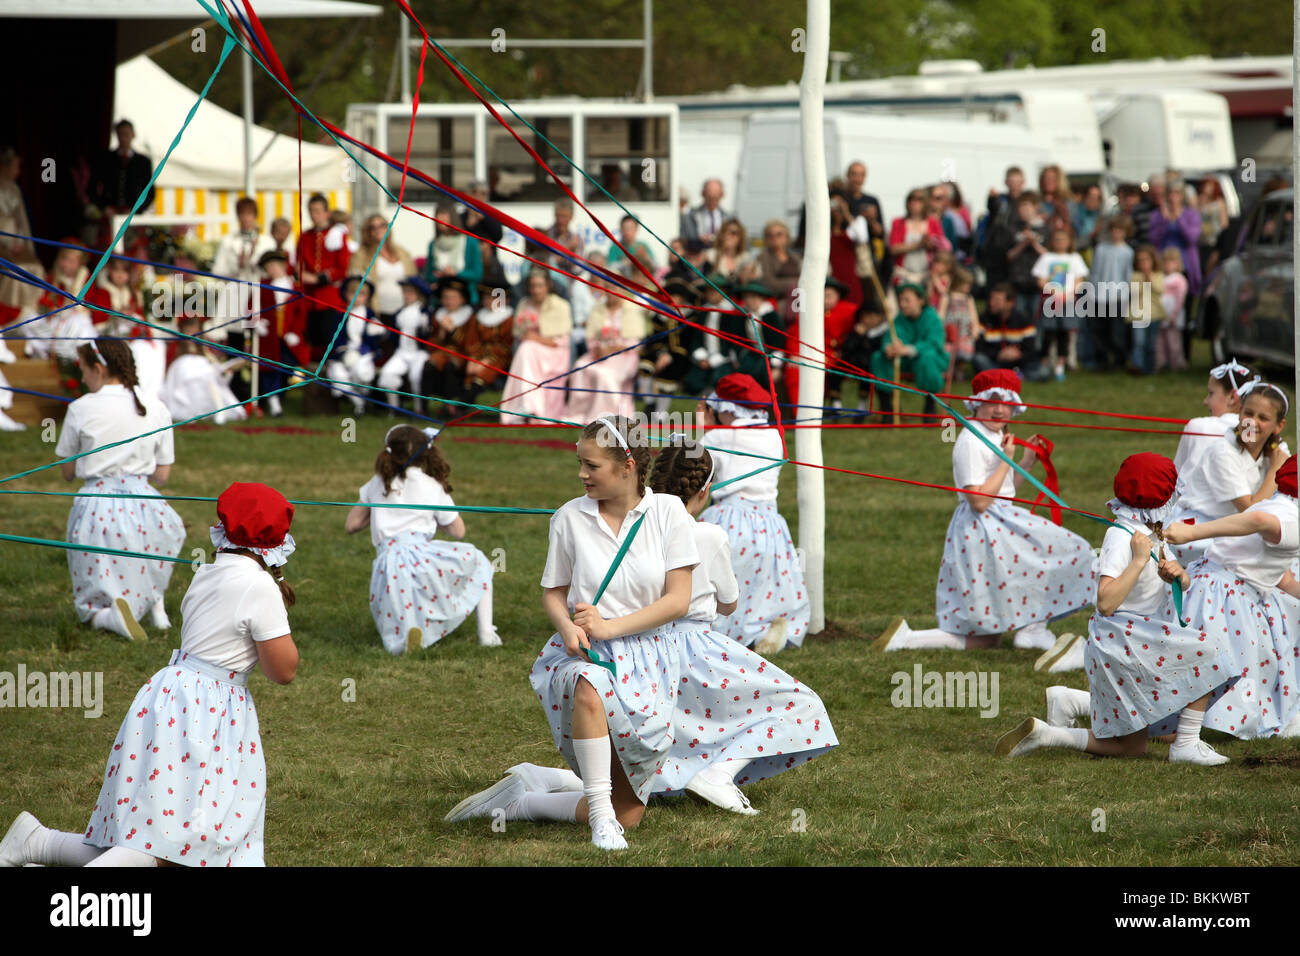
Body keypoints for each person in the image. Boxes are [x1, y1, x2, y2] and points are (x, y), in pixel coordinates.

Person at [0, 482, 301, 866]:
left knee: (169, 838)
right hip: (206, 714)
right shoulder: (259, 586)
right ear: (277, 541)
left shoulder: (210, 571)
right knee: (172, 843)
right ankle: (51, 867)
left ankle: (38, 842)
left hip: (173, 697)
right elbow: (284, 670)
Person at [443, 416, 702, 851]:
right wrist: (566, 626)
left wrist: (610, 625)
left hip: (650, 663)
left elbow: (678, 600)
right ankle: (601, 821)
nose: (581, 474)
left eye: (591, 465)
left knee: (631, 816)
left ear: (628, 465)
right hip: (585, 656)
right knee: (588, 685)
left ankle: (525, 799)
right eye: (579, 463)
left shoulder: (669, 512)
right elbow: (553, 593)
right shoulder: (568, 517)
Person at [993, 453, 1232, 766]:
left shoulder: (1152, 531)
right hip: (1124, 642)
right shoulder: (1121, 538)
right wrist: (1136, 561)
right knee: (1208, 651)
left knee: (1132, 748)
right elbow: (1106, 603)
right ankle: (1186, 744)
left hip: (1144, 638)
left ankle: (1050, 730)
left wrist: (1179, 575)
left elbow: (1179, 583)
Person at [647, 438, 838, 812]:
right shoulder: (710, 535)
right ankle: (718, 773)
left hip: (644, 647)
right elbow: (729, 603)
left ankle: (683, 773)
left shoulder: (635, 531)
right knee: (800, 703)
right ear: (705, 491)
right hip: (696, 649)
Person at [875, 369, 1096, 653]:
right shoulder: (970, 440)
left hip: (999, 520)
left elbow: (1002, 489)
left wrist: (1025, 464)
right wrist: (1007, 460)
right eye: (993, 401)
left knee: (988, 637)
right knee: (1072, 550)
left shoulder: (994, 434)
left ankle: (909, 639)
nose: (1000, 409)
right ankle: (1030, 629)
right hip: (983, 530)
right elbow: (978, 501)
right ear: (977, 402)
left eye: (1008, 403)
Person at [55, 338, 186, 639]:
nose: (82, 377)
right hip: (145, 504)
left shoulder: (80, 408)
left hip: (97, 506)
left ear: (99, 369)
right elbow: (162, 475)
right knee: (146, 550)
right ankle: (155, 607)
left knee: (94, 581)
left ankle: (107, 615)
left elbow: (67, 473)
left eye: (84, 370)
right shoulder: (155, 406)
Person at [1164, 455, 1299, 739]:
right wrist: (1193, 532)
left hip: (1220, 591)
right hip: (1225, 601)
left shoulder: (1277, 506)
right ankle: (1185, 740)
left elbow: (1281, 575)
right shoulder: (1289, 521)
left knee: (1190, 675)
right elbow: (1259, 521)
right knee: (1209, 674)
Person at [346, 425, 499, 654]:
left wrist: (379, 510)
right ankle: (487, 633)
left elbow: (352, 525)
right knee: (479, 561)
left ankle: (407, 637)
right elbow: (458, 531)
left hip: (388, 564)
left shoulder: (377, 483)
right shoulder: (432, 485)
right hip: (422, 557)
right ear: (426, 453)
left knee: (402, 602)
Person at [698, 373, 808, 654]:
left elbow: (695, 466)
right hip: (770, 523)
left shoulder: (719, 435)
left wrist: (703, 428)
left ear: (726, 409)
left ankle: (721, 632)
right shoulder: (773, 434)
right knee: (762, 583)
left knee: (723, 581)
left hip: (730, 520)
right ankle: (761, 630)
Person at [1171, 383, 1291, 565]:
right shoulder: (1223, 452)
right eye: (1248, 413)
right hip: (1196, 533)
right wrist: (1275, 471)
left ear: (1279, 426)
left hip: (1236, 530)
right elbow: (1250, 510)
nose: (1252, 422)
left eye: (1263, 418)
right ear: (1239, 412)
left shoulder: (1275, 451)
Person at [565, 284, 647, 422]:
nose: (611, 292)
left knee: (604, 374)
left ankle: (603, 415)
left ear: (622, 290)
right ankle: (578, 413)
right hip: (599, 353)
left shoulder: (631, 309)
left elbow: (635, 343)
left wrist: (612, 349)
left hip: (624, 356)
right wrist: (597, 348)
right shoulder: (598, 309)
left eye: (615, 288)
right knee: (579, 367)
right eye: (608, 289)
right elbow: (591, 337)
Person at [499, 271, 572, 425]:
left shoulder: (561, 305)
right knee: (526, 349)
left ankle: (528, 405)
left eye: (539, 286)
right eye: (533, 286)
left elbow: (561, 342)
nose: (536, 290)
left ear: (548, 286)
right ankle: (526, 405)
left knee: (527, 349)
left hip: (554, 354)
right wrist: (529, 337)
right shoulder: (524, 304)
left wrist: (536, 339)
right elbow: (518, 332)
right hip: (531, 350)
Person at [868, 282, 948, 417]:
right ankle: (887, 408)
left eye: (907, 300)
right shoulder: (899, 319)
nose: (902, 304)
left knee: (927, 358)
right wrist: (890, 347)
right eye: (900, 300)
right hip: (906, 361)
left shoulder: (932, 318)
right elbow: (891, 337)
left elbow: (934, 343)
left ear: (920, 301)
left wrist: (909, 349)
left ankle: (930, 407)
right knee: (878, 357)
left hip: (932, 359)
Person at [1173, 359, 1258, 474]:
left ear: (1233, 397)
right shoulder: (1260, 434)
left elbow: (1175, 476)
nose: (1205, 401)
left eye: (1211, 393)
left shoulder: (1198, 427)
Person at [160, 316, 249, 426]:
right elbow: (170, 366)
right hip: (184, 376)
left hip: (205, 376)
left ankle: (219, 410)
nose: (192, 332)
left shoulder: (204, 346)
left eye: (194, 329)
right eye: (189, 329)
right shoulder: (177, 346)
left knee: (209, 377)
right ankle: (196, 411)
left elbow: (213, 363)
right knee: (197, 376)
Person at [254, 250, 309, 417]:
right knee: (270, 368)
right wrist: (256, 322)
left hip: (289, 336)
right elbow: (251, 308)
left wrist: (295, 332)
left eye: (276, 266)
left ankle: (295, 398)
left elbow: (301, 312)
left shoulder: (295, 288)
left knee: (293, 365)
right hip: (269, 336)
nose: (273, 270)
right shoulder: (262, 286)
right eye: (269, 267)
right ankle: (274, 403)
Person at [1031, 227, 1089, 381]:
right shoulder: (1046, 258)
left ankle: (1060, 366)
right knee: (1048, 333)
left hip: (1068, 302)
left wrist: (1068, 295)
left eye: (1063, 239)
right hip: (1050, 301)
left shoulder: (1075, 258)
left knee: (1065, 334)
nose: (1060, 243)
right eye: (1057, 240)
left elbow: (1079, 280)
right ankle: (1044, 364)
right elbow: (1041, 280)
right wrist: (1053, 293)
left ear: (1069, 242)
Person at [296, 194, 349, 357]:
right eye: (311, 211)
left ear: (327, 213)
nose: (314, 215)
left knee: (329, 340)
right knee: (311, 340)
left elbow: (343, 266)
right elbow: (299, 262)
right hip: (310, 297)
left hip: (330, 298)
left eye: (318, 211)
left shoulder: (337, 234)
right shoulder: (305, 236)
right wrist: (301, 274)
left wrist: (320, 278)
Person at [324, 276, 384, 415]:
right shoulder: (341, 315)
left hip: (364, 353)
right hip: (344, 353)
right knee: (339, 376)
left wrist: (378, 331)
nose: (356, 297)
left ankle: (364, 397)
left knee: (361, 373)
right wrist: (343, 352)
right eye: (353, 293)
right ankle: (359, 403)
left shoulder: (370, 314)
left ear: (367, 297)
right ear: (346, 294)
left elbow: (377, 337)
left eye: (361, 294)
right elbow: (336, 337)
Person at [420, 277, 475, 418]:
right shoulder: (438, 316)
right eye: (446, 298)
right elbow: (431, 343)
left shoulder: (469, 317)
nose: (449, 301)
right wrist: (441, 333)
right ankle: (423, 406)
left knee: (450, 366)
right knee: (428, 366)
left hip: (459, 354)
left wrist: (453, 331)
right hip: (440, 352)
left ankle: (449, 406)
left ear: (462, 299)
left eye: (453, 298)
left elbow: (469, 344)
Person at [1086, 216, 1134, 371]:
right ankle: (1102, 360)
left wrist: (1127, 295)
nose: (1116, 233)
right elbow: (1095, 272)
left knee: (1117, 331)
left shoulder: (1127, 252)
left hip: (1118, 296)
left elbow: (1128, 275)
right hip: (1100, 295)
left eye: (1120, 230)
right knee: (1100, 330)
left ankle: (1119, 360)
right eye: (1114, 230)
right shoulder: (1101, 249)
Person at [350, 214, 416, 326]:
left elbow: (413, 279)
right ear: (367, 231)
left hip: (403, 311)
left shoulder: (402, 252)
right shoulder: (361, 254)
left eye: (382, 226)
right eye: (373, 227)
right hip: (377, 312)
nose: (378, 230)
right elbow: (353, 284)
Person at [376, 276, 430, 411]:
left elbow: (427, 336)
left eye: (410, 292)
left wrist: (425, 328)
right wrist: (383, 331)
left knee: (416, 376)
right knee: (387, 373)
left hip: (419, 353)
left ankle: (420, 408)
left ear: (418, 294)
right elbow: (393, 336)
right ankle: (394, 408)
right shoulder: (399, 313)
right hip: (402, 352)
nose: (407, 295)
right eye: (405, 292)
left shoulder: (424, 311)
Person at [461, 279, 515, 409]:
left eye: (493, 298)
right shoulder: (477, 318)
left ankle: (460, 406)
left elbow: (507, 346)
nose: (489, 302)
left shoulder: (508, 319)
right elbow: (471, 341)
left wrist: (486, 360)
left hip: (500, 358)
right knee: (469, 374)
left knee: (484, 373)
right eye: (486, 298)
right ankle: (461, 405)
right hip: (479, 357)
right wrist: (474, 359)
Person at [974, 282, 1040, 379]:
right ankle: (1008, 377)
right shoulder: (984, 320)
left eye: (997, 300)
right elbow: (979, 348)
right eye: (991, 299)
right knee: (979, 359)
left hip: (1020, 365)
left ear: (1010, 303)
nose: (992, 303)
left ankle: (1008, 376)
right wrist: (999, 354)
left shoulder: (1024, 321)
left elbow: (1031, 351)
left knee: (1043, 370)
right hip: (995, 363)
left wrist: (1018, 355)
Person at [888, 189, 948, 285]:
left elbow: (944, 249)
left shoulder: (933, 223)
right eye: (912, 199)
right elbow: (894, 248)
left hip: (927, 275)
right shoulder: (898, 223)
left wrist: (932, 244)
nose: (914, 203)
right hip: (903, 274)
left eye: (919, 199)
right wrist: (919, 244)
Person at [422, 203, 482, 296]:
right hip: (441, 297)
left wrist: (456, 273)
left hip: (465, 297)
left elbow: (477, 274)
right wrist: (438, 275)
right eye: (438, 217)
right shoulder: (433, 244)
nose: (440, 220)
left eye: (444, 216)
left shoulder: (469, 242)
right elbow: (429, 275)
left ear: (453, 218)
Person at [1126, 245, 1164, 375]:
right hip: (1138, 315)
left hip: (1154, 315)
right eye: (1140, 260)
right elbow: (1135, 291)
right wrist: (1144, 279)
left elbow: (1159, 290)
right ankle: (1137, 366)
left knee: (1151, 343)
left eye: (1146, 260)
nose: (1143, 263)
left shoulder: (1158, 275)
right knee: (1139, 342)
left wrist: (1149, 278)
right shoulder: (1134, 276)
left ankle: (1150, 367)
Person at [751, 220, 803, 306]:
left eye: (779, 234)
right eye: (770, 235)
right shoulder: (762, 258)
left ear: (787, 238)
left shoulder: (796, 257)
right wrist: (797, 283)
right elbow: (770, 283)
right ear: (765, 239)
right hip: (778, 303)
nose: (774, 238)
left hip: (800, 299)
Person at [1155, 247, 1188, 372]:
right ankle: (1161, 363)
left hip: (1173, 314)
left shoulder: (1179, 279)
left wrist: (1174, 315)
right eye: (1165, 262)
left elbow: (1180, 299)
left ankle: (1177, 364)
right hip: (1161, 312)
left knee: (1173, 340)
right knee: (1160, 341)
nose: (1168, 265)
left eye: (1171, 262)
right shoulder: (1160, 277)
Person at [680, 178, 730, 246]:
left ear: (722, 195)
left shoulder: (729, 218)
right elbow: (683, 240)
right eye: (709, 198)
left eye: (715, 198)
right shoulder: (689, 216)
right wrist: (697, 240)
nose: (712, 201)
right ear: (703, 194)